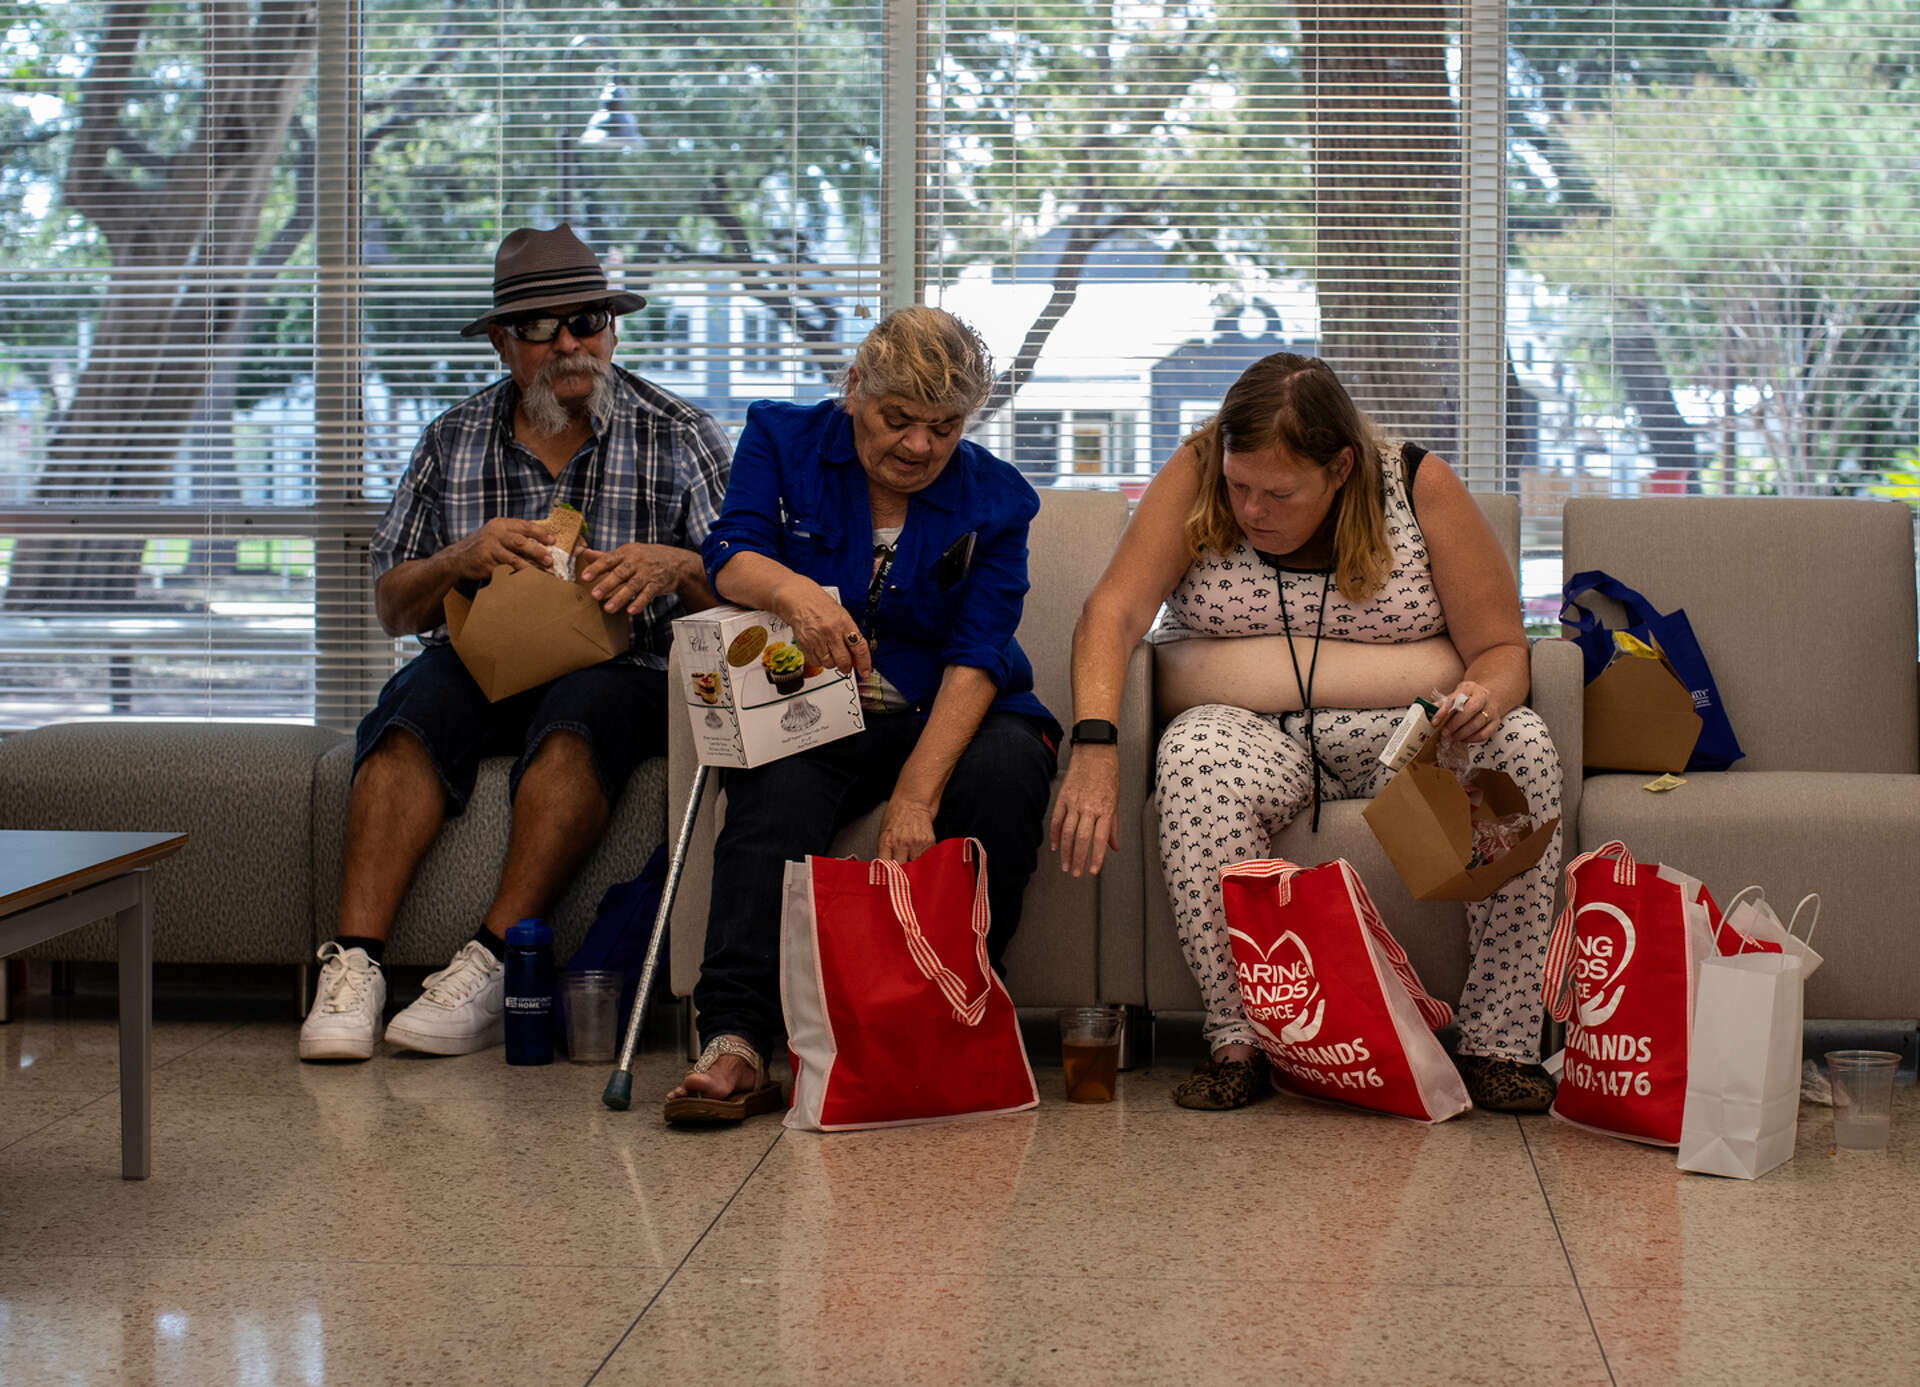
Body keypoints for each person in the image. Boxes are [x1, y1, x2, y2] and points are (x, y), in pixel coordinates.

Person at [1049, 353, 1561, 1113]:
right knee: (1191, 754)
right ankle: (1239, 1039)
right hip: (1254, 733)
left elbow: (1500, 648)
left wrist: (1482, 694)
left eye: (1279, 492)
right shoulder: (1196, 472)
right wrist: (1093, 745)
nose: (1252, 508)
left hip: (1406, 735)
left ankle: (1498, 1042)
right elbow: (1113, 613)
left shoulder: (1416, 486)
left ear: (1341, 468)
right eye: (1239, 485)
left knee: (1521, 746)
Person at [298, 224, 731, 1061]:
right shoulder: (451, 438)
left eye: (589, 321)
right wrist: (459, 558)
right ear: (502, 341)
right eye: (541, 327)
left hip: (626, 669)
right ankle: (355, 966)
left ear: (613, 327)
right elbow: (391, 606)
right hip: (481, 660)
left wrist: (677, 566)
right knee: (407, 717)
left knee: (582, 712)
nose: (571, 345)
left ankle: (492, 962)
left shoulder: (680, 433)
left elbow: (746, 597)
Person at [664, 307, 1060, 1122]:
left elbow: (981, 649)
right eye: (898, 419)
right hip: (823, 701)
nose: (919, 446)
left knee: (1009, 771)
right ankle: (737, 1039)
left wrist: (917, 793)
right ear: (854, 391)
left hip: (950, 704)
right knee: (771, 790)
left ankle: (954, 1018)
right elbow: (730, 553)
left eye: (944, 428)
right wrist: (795, 594)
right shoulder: (781, 437)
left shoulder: (998, 499)